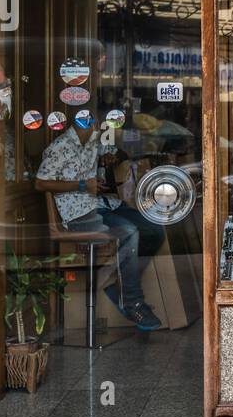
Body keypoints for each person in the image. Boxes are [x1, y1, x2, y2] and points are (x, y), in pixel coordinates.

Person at [35, 115, 163, 331]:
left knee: (154, 229)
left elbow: (112, 154)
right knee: (129, 232)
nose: (94, 125)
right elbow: (40, 183)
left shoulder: (94, 139)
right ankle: (132, 301)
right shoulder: (59, 147)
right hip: (78, 213)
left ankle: (120, 285)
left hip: (104, 205)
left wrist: (109, 159)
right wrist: (83, 185)